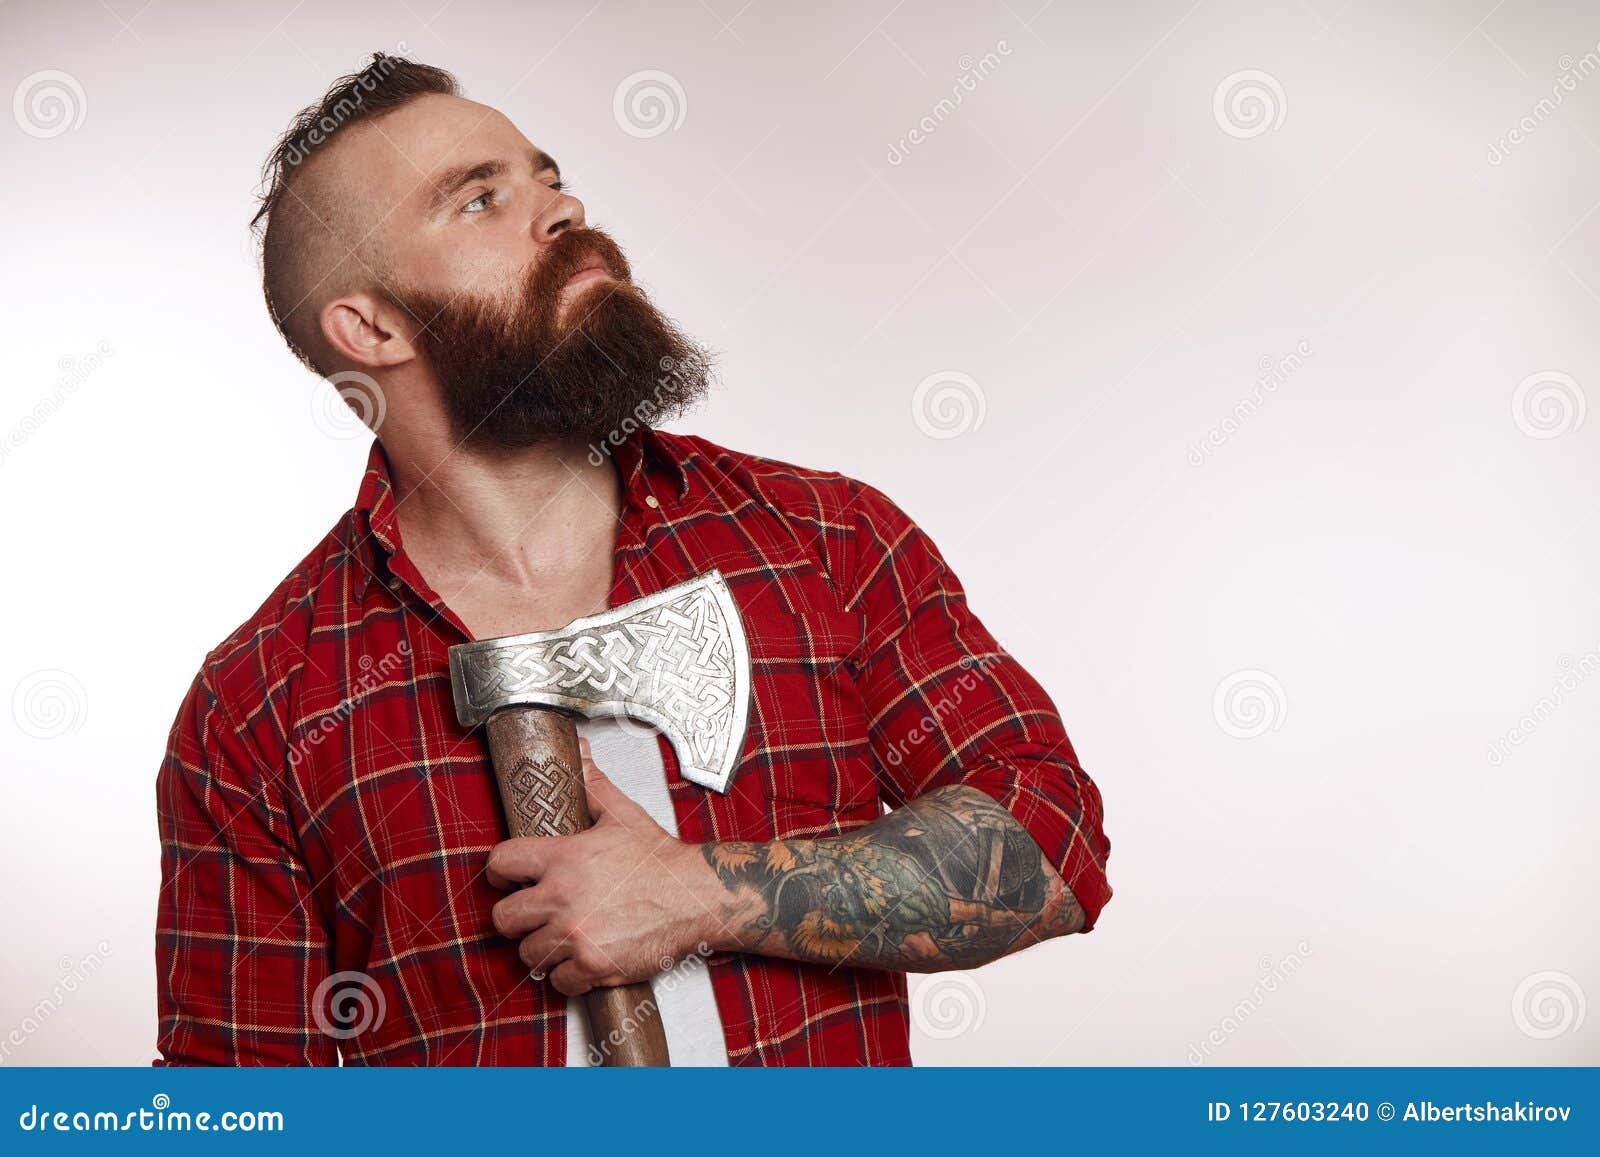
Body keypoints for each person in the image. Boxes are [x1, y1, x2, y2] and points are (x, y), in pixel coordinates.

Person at [155, 55, 1111, 1066]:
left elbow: (1051, 845)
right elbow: (232, 1104)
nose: (561, 208)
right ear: (374, 324)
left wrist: (699, 891)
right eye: (480, 199)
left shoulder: (819, 540)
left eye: (545, 176)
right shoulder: (260, 708)